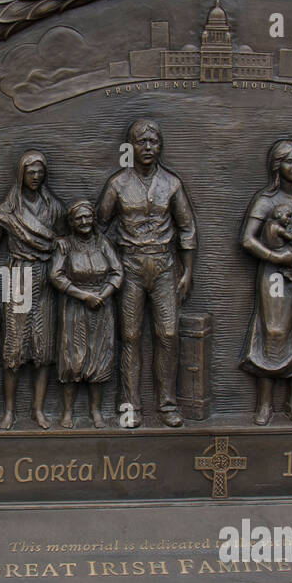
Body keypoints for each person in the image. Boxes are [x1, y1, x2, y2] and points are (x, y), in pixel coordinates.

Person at [96, 120, 196, 428]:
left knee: (167, 335)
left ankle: (167, 404)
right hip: (131, 267)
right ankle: (130, 406)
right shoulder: (117, 184)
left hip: (165, 266)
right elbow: (99, 228)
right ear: (131, 147)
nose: (148, 147)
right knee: (131, 337)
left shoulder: (172, 184)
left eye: (153, 141)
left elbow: (187, 228)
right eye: (142, 142)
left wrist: (188, 271)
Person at [0, 150, 66, 429]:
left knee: (43, 348)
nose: (36, 177)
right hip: (19, 276)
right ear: (21, 174)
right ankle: (9, 411)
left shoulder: (54, 208)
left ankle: (38, 410)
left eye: (40, 172)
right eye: (31, 172)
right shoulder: (9, 209)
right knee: (14, 347)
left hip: (46, 278)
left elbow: (63, 243)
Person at [239, 138, 292, 425]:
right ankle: (264, 403)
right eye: (289, 161)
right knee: (273, 331)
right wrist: (275, 256)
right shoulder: (266, 201)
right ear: (277, 166)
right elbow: (247, 239)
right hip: (274, 275)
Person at [50, 201, 123, 428]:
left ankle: (96, 412)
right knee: (73, 357)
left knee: (99, 357)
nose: (84, 222)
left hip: (101, 307)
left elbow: (117, 272)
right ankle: (68, 412)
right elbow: (56, 276)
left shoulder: (103, 243)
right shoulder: (64, 245)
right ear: (71, 222)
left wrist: (103, 294)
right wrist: (83, 296)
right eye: (78, 218)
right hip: (74, 308)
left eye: (87, 217)